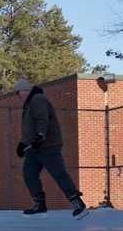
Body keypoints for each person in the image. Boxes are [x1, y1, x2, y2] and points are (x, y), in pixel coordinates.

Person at [13, 78, 88, 220]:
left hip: (47, 145)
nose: (18, 96)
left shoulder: (38, 99)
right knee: (29, 174)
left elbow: (42, 118)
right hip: (34, 148)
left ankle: (78, 203)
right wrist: (23, 143)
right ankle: (39, 205)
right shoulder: (28, 105)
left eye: (18, 93)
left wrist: (40, 134)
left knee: (58, 173)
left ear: (24, 89)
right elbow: (29, 127)